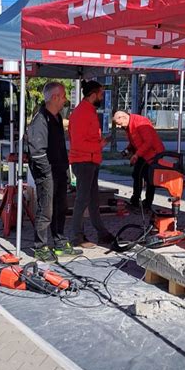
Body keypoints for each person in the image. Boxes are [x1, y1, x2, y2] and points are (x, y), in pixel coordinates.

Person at [26, 81, 81, 260]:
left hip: (59, 170)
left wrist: (66, 169)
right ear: (55, 97)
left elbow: (59, 147)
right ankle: (40, 247)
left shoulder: (56, 117)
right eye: (64, 96)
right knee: (46, 210)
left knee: (60, 207)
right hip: (46, 172)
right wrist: (47, 172)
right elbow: (36, 151)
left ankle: (59, 243)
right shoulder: (40, 119)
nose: (66, 100)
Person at [68, 80, 115, 249]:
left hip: (90, 160)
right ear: (93, 94)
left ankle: (101, 233)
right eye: (101, 93)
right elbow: (78, 143)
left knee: (93, 200)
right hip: (84, 161)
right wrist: (100, 145)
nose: (102, 97)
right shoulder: (82, 113)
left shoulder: (88, 111)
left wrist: (98, 144)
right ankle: (76, 236)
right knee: (83, 200)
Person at [113, 110, 165, 210]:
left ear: (123, 117)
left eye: (119, 124)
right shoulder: (128, 126)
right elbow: (135, 142)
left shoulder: (140, 122)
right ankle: (135, 200)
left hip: (153, 153)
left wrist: (136, 155)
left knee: (149, 179)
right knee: (137, 174)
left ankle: (147, 203)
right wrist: (128, 150)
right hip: (144, 153)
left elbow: (148, 142)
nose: (119, 127)